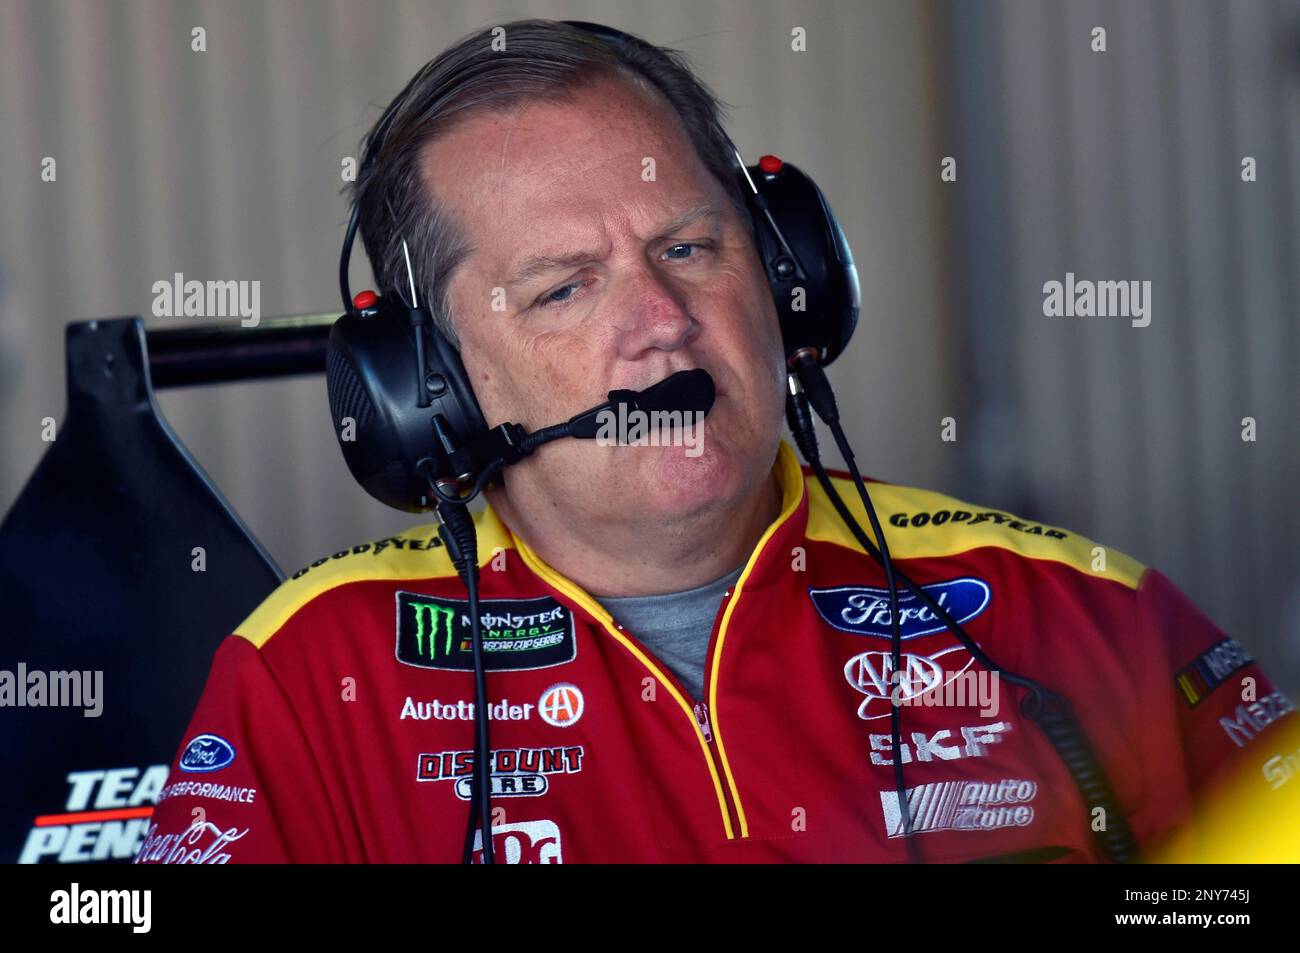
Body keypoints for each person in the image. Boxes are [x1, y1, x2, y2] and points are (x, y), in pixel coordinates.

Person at [136, 19, 1296, 864]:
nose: (660, 322)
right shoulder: (307, 680)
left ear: (788, 283)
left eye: (689, 248)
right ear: (430, 385)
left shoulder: (1076, 608)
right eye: (562, 289)